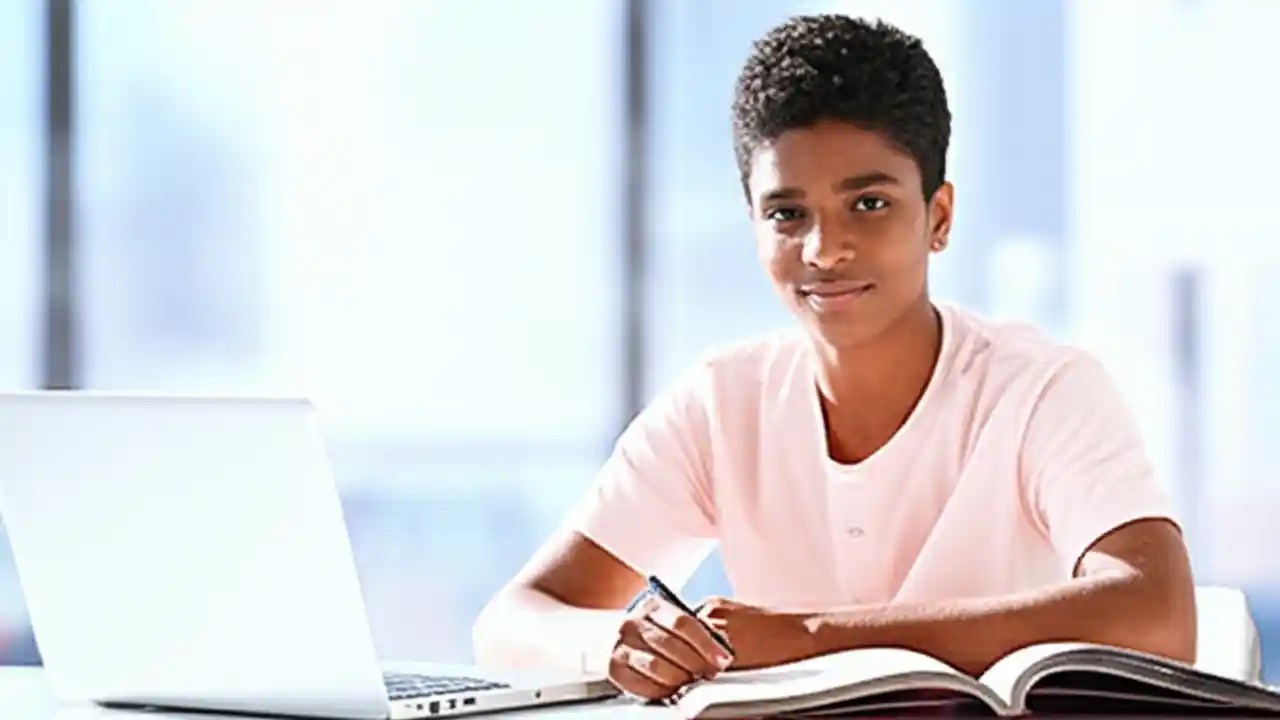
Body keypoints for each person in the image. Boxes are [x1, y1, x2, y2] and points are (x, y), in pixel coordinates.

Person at [472, 13, 1196, 701]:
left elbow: (1158, 616)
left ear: (938, 217)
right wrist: (618, 642)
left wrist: (809, 638)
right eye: (787, 214)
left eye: (869, 204)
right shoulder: (722, 401)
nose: (825, 250)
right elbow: (514, 620)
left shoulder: (1042, 389)